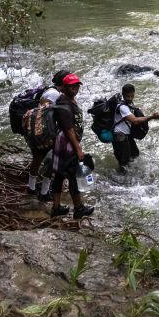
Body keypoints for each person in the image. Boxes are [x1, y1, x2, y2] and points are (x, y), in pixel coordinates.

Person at [48, 73, 94, 219]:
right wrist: (78, 149)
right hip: (66, 144)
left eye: (76, 85)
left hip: (63, 143)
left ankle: (56, 208)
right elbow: (69, 129)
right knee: (73, 175)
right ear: (65, 87)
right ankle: (78, 208)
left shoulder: (68, 100)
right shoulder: (64, 104)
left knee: (60, 176)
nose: (74, 88)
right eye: (71, 86)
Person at [22, 69, 69, 201]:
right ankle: (44, 192)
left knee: (37, 159)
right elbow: (44, 113)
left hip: (38, 131)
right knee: (50, 162)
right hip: (46, 132)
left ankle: (31, 188)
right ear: (64, 83)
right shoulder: (54, 94)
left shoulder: (50, 91)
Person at [111, 83, 159, 174]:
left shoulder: (129, 103)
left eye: (132, 96)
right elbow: (134, 120)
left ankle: (131, 175)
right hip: (119, 136)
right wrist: (151, 117)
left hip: (126, 134)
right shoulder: (122, 107)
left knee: (135, 154)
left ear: (134, 94)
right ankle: (120, 180)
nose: (130, 98)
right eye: (127, 96)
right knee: (124, 161)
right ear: (123, 95)